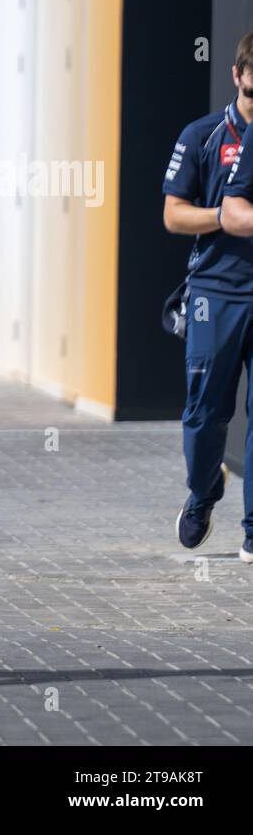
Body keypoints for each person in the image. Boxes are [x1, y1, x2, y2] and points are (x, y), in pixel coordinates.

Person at [196, 30, 253, 564]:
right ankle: (201, 492)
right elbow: (172, 214)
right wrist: (219, 220)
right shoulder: (206, 135)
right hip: (215, 290)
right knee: (207, 413)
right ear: (236, 76)